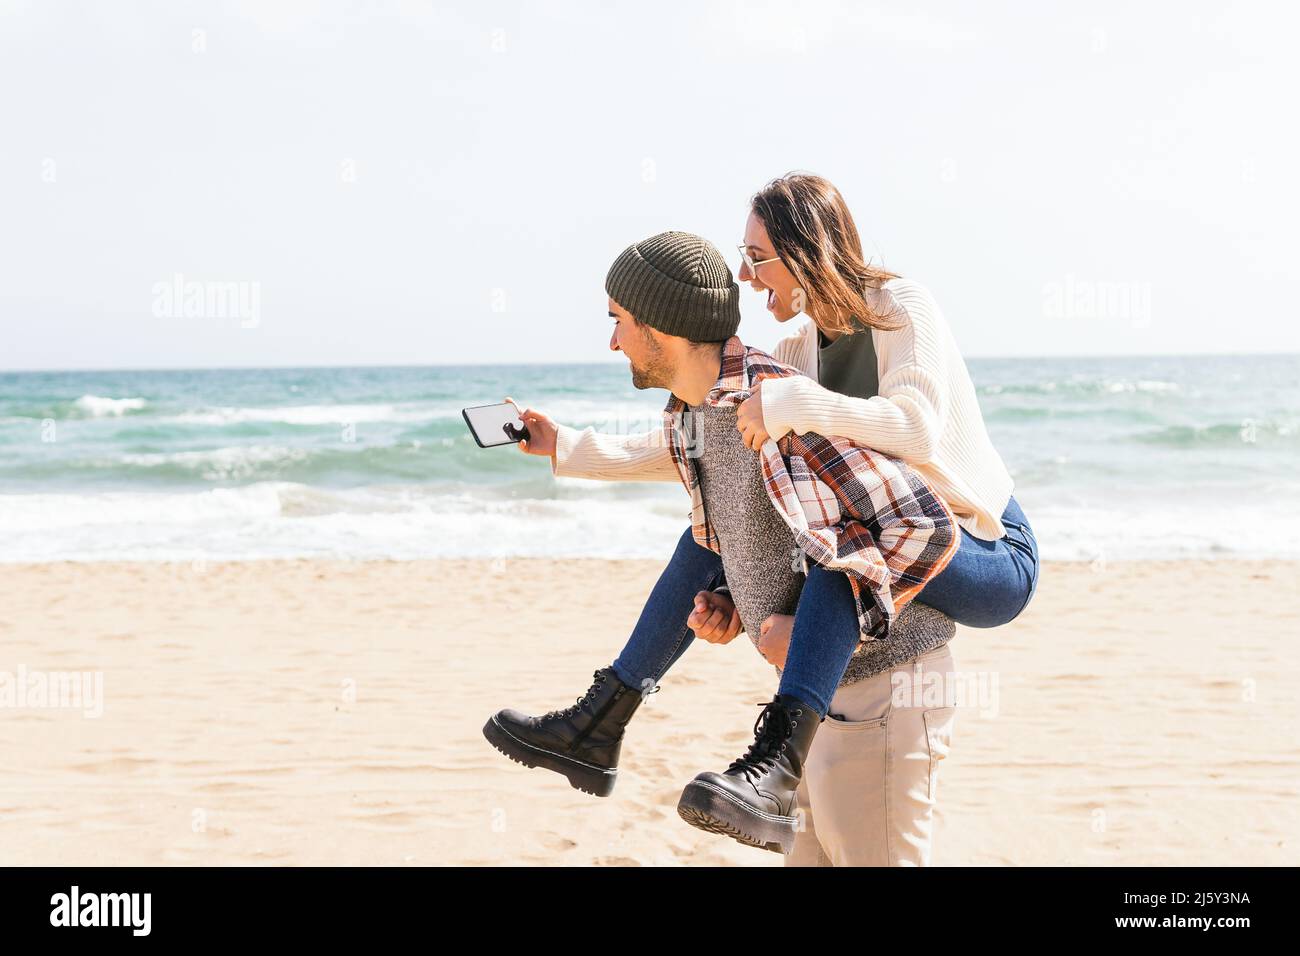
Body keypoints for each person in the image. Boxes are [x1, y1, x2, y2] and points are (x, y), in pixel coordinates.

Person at [484, 232, 960, 854]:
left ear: (664, 326)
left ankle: (608, 724)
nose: (611, 341)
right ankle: (602, 721)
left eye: (619, 321)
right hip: (817, 693)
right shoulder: (694, 414)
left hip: (882, 686)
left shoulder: (778, 407)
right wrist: (733, 595)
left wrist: (850, 624)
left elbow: (922, 526)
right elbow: (768, 526)